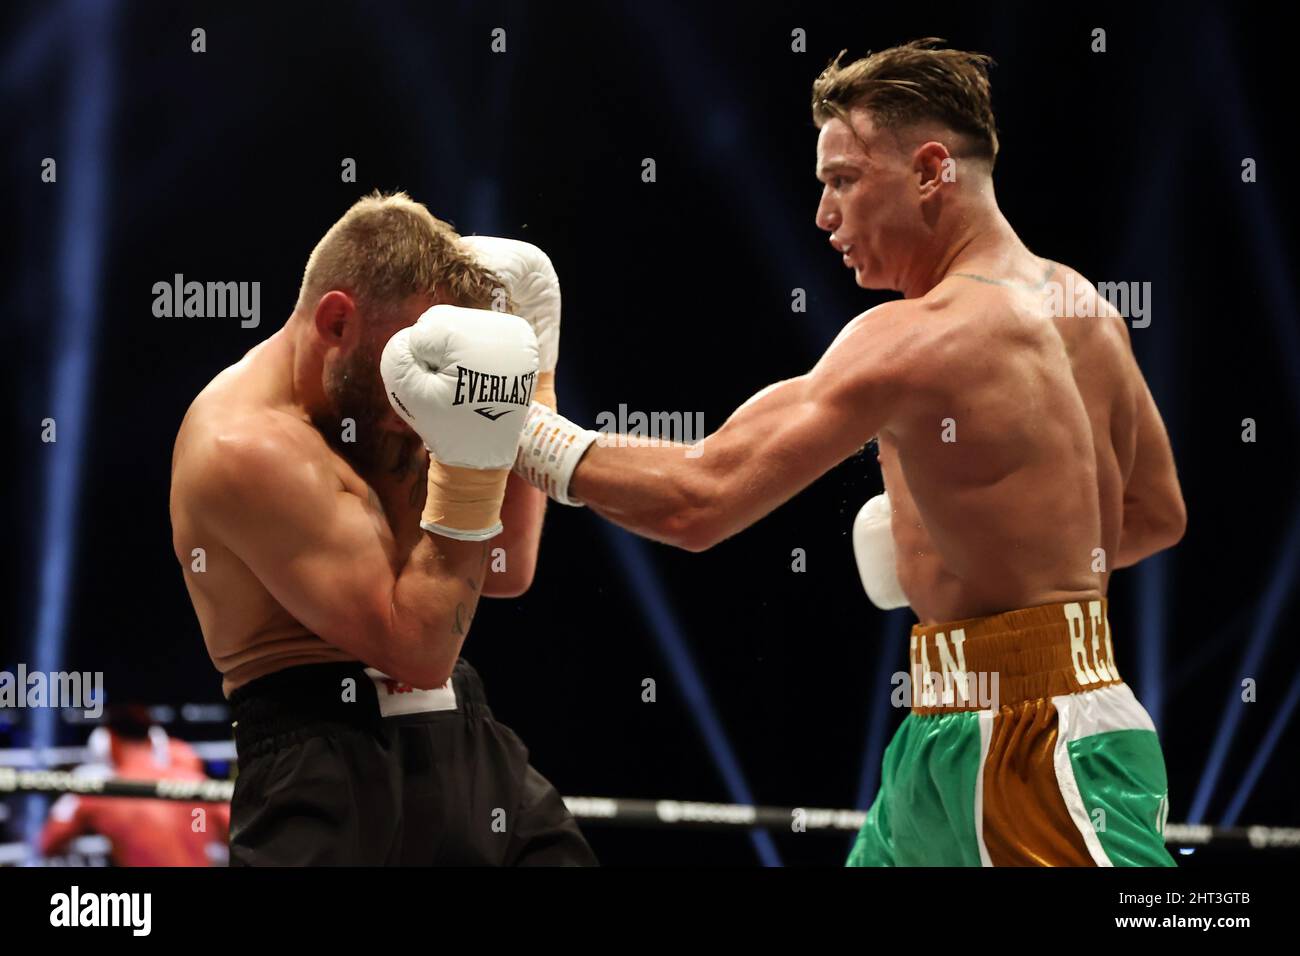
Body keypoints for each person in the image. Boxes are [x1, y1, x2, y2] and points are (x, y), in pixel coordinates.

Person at [505, 40, 1185, 866]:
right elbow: (1154, 515)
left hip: (1036, 749)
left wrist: (517, 432)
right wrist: (995, 557)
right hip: (957, 730)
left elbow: (701, 498)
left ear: (933, 169)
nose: (825, 216)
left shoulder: (916, 339)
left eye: (843, 181)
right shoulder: (1089, 310)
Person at [169, 192, 596, 865]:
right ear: (337, 320)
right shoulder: (244, 444)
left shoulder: (380, 404)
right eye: (405, 356)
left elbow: (507, 565)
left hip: (461, 728)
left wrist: (532, 380)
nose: (413, 386)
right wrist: (470, 450)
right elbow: (417, 648)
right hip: (323, 762)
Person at [40, 705, 229, 866]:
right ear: (153, 740)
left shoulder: (101, 791)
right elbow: (238, 834)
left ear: (109, 741)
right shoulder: (196, 783)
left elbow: (48, 844)